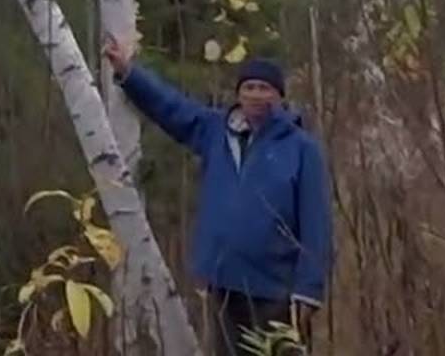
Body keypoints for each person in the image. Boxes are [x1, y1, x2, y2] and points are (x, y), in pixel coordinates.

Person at [103, 35, 333, 355]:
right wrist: (129, 73)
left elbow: (316, 225)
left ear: (279, 96)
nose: (255, 95)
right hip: (224, 286)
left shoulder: (300, 148)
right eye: (249, 88)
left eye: (264, 89)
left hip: (276, 294)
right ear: (238, 94)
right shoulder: (215, 130)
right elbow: (171, 108)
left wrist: (309, 291)